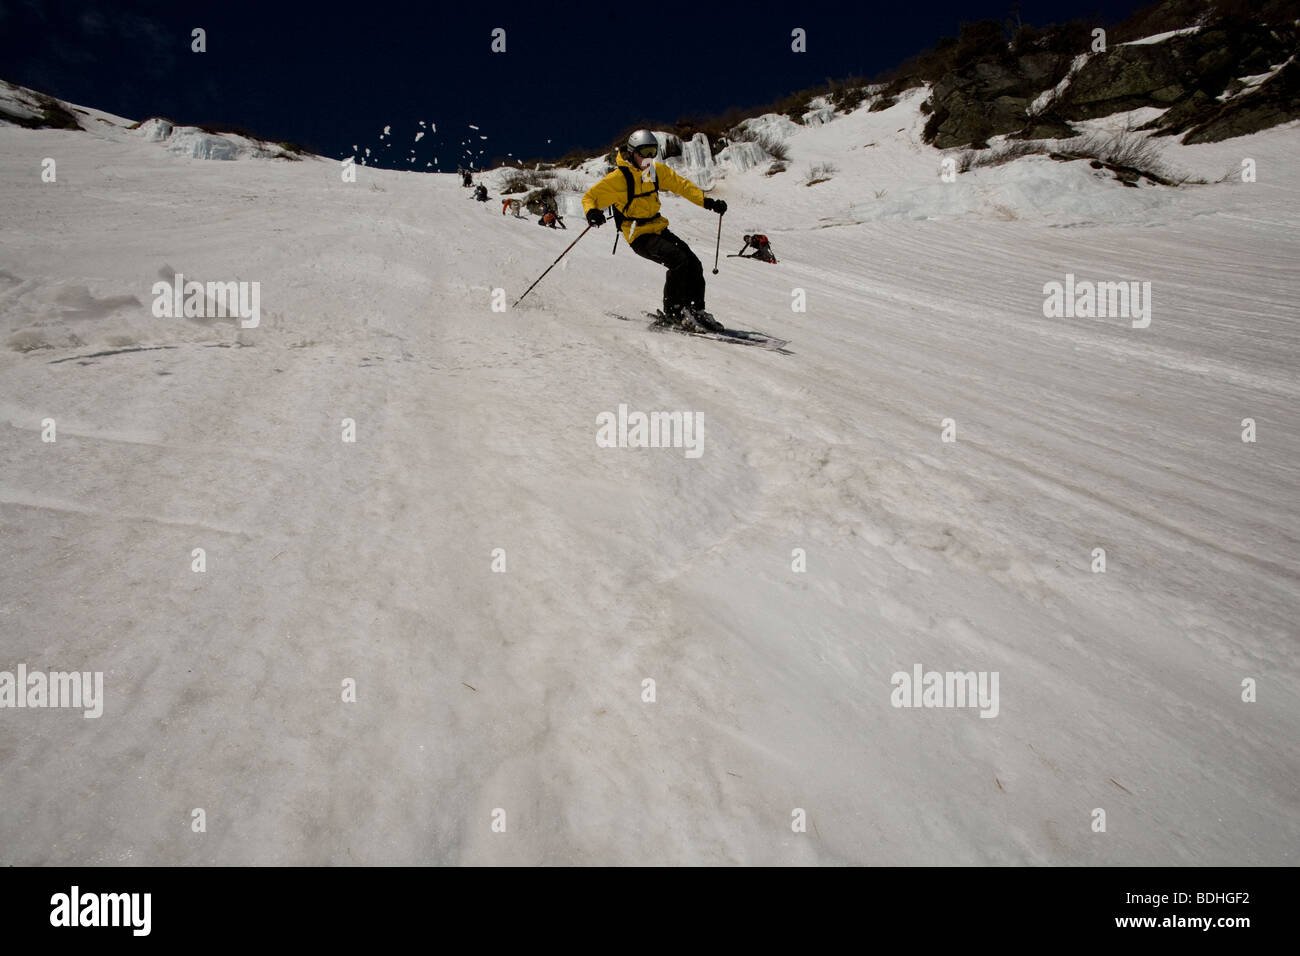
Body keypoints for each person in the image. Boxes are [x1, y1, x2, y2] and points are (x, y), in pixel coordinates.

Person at [582, 129, 727, 332]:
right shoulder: (619, 178)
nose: (649, 157)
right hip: (638, 235)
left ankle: (696, 310)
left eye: (653, 151)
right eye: (645, 152)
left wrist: (707, 202)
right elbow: (590, 197)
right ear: (632, 152)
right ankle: (674, 312)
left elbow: (681, 185)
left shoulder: (655, 171)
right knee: (679, 261)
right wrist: (592, 213)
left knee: (693, 263)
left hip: (657, 228)